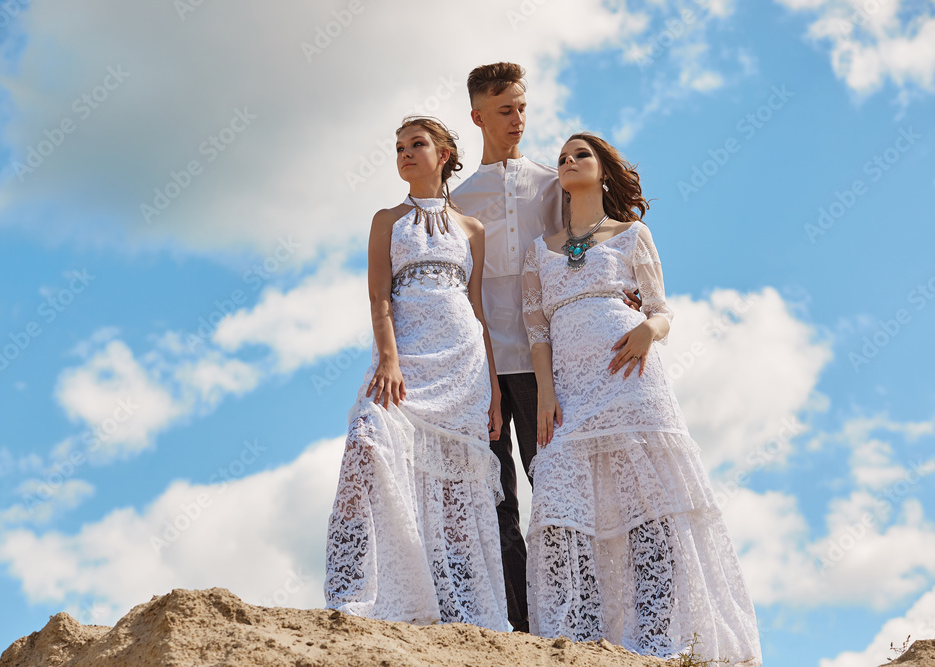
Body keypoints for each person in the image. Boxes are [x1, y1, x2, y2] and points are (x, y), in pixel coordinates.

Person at [521, 132, 762, 665]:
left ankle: (656, 636)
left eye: (580, 154)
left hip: (631, 378)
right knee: (563, 499)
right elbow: (537, 330)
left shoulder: (633, 235)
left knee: (646, 503)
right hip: (572, 387)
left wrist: (648, 331)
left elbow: (661, 308)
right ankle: (576, 634)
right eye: (561, 158)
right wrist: (545, 392)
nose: (568, 162)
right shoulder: (540, 251)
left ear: (604, 170)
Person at [452, 62, 641, 634]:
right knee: (495, 495)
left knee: (557, 486)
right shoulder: (457, 199)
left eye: (522, 107)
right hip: (480, 368)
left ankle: (581, 619)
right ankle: (523, 626)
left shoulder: (547, 183)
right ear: (478, 116)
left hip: (545, 364)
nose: (517, 119)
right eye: (504, 109)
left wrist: (626, 292)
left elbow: (584, 240)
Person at [324, 116, 507, 631]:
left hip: (463, 363)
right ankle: (367, 589)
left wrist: (493, 389)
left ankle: (456, 610)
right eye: (399, 147)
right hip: (406, 362)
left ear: (445, 153)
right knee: (368, 439)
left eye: (417, 144)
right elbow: (379, 296)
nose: (404, 153)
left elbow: (478, 309)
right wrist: (388, 358)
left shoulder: (473, 229)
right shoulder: (386, 219)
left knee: (453, 486)